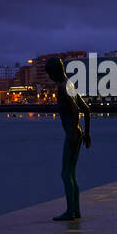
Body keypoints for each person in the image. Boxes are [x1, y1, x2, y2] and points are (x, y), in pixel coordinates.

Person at [45, 56, 90, 221]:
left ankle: (70, 211)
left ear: (55, 71)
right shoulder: (70, 83)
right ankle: (75, 210)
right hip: (77, 133)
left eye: (50, 74)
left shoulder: (63, 87)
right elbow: (86, 110)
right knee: (71, 173)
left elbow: (76, 110)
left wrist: (72, 133)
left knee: (65, 174)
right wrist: (87, 133)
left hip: (71, 134)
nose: (50, 77)